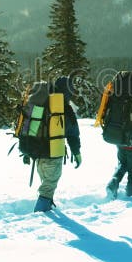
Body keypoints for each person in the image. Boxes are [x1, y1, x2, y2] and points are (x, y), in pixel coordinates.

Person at [32, 76, 82, 212]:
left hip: (38, 155)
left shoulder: (42, 102)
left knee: (47, 184)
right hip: (53, 154)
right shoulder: (64, 109)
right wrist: (77, 153)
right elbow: (73, 135)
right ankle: (40, 216)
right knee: (47, 188)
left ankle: (47, 206)